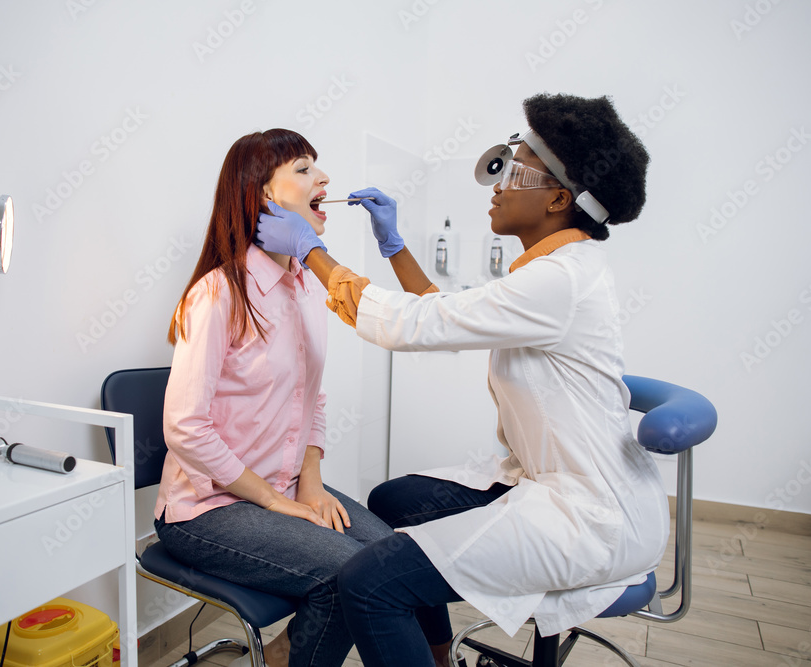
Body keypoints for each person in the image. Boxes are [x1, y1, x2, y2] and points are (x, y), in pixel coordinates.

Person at [256, 94, 669, 667]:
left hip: (592, 515)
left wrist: (313, 252)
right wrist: (393, 247)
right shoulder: (552, 272)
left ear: (557, 198)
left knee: (369, 583)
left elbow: (412, 325)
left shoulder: (558, 281)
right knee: (393, 501)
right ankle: (435, 654)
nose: (496, 184)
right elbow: (442, 311)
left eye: (513, 170)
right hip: (558, 479)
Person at [155, 128, 393, 667]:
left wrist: (309, 483)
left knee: (392, 558)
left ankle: (288, 653)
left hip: (283, 486)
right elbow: (185, 427)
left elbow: (314, 397)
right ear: (264, 195)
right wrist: (272, 499)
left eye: (318, 167)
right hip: (205, 510)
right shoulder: (218, 293)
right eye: (305, 169)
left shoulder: (309, 286)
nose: (324, 179)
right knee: (350, 577)